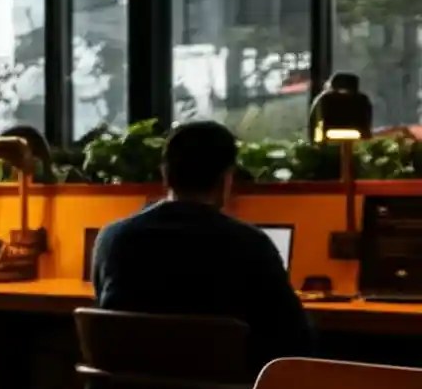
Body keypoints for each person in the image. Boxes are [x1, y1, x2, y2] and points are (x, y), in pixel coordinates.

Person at [92, 120, 314, 370]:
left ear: (165, 175)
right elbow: (295, 339)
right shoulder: (250, 245)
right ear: (225, 180)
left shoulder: (112, 238)